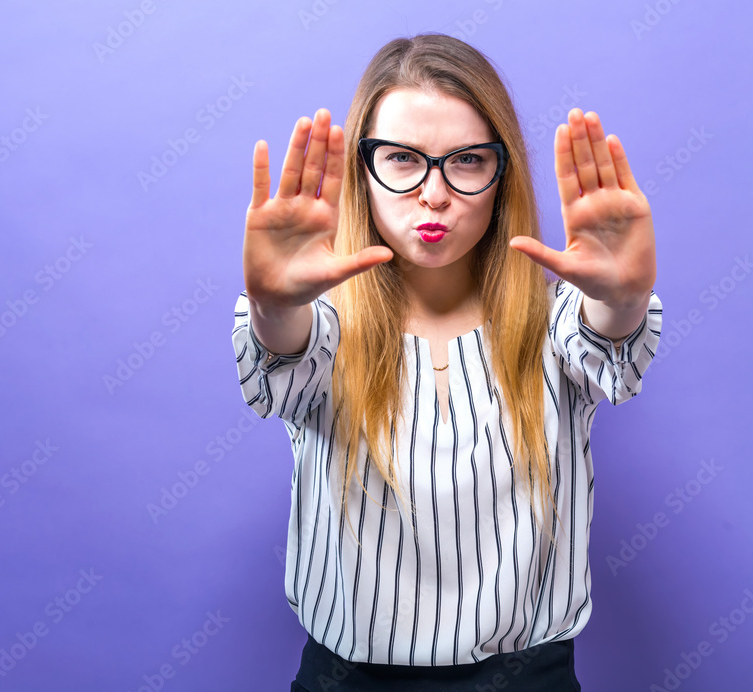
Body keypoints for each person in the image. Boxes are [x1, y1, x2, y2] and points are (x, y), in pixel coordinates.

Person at [231, 33, 662, 691]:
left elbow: (607, 334)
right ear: (362, 169)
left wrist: (624, 296)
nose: (433, 194)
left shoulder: (556, 325)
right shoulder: (323, 327)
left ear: (501, 173)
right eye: (402, 159)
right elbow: (284, 350)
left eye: (465, 161)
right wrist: (270, 306)